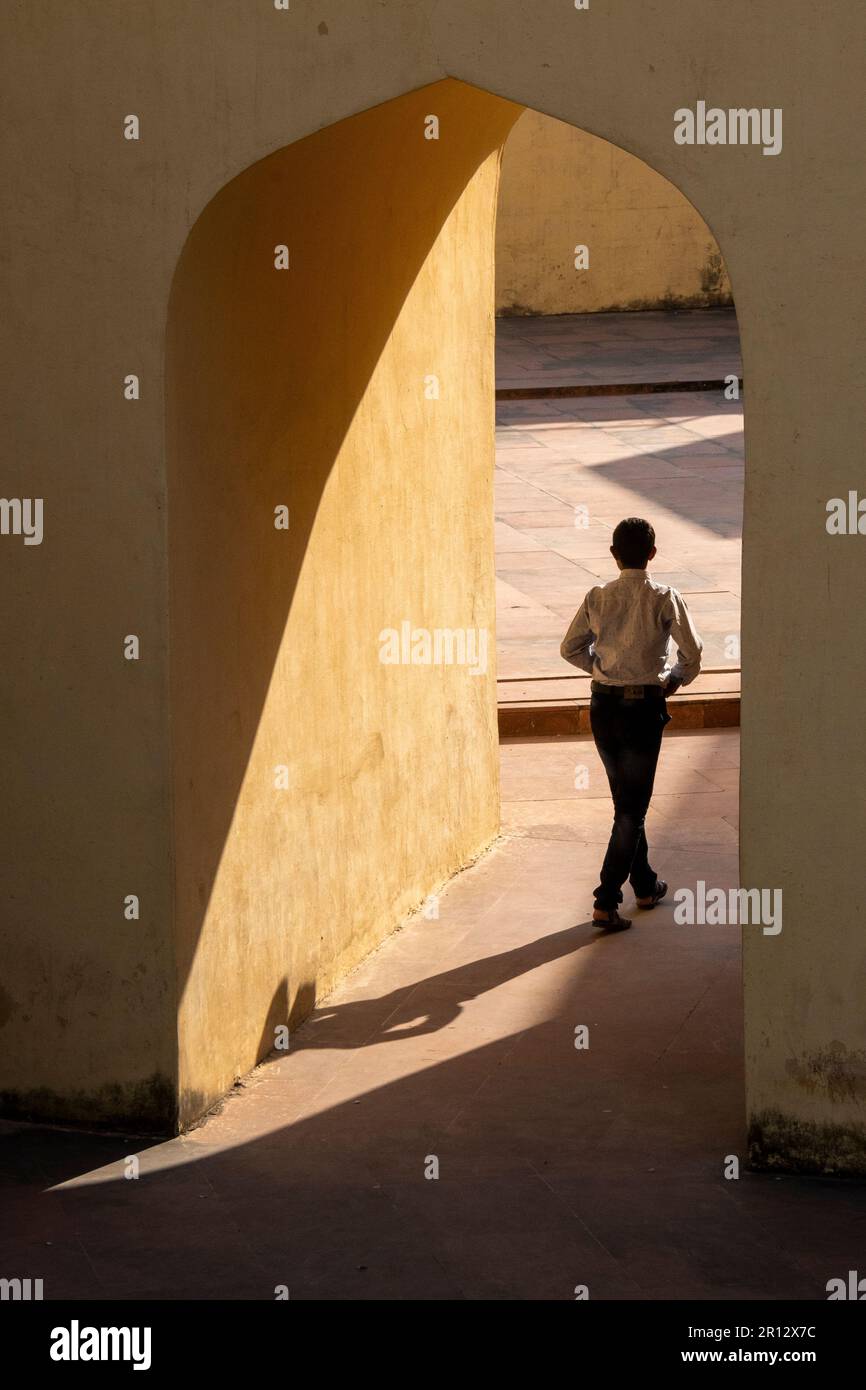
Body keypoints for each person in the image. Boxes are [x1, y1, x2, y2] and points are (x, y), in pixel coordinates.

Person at [560, 517, 703, 931]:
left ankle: (644, 885)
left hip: (603, 707)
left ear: (613, 554)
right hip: (643, 709)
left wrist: (602, 670)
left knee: (626, 803)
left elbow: (570, 648)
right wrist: (673, 679)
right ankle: (606, 900)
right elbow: (691, 653)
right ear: (652, 553)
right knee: (631, 809)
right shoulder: (664, 596)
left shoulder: (598, 595)